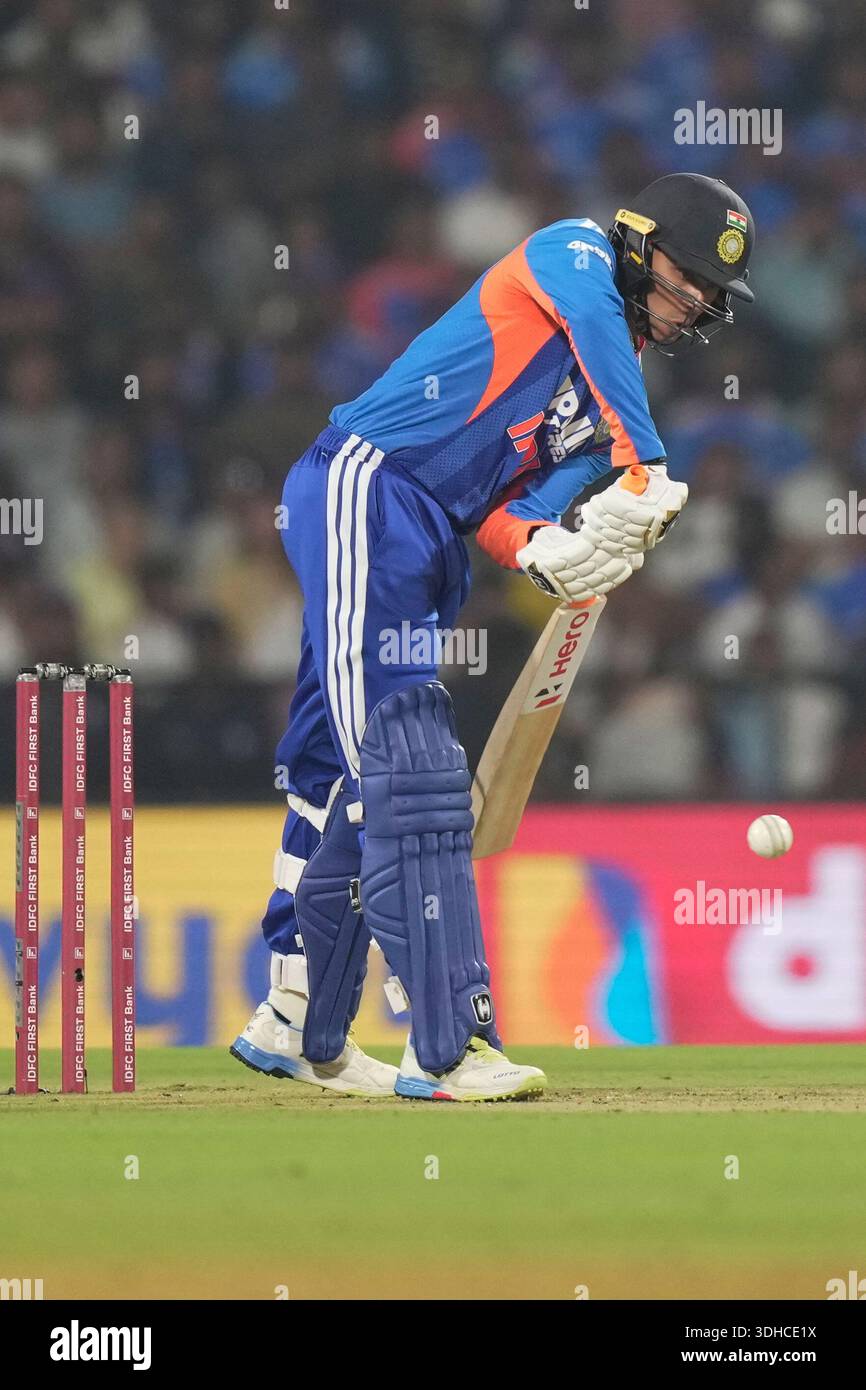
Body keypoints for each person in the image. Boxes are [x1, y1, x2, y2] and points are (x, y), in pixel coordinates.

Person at [230, 172, 755, 1100]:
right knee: (407, 770)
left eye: (712, 297)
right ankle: (448, 1048)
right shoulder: (573, 253)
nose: (695, 305)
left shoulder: (607, 403)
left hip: (433, 541)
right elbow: (596, 325)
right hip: (372, 488)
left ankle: (296, 1013)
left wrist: (551, 551)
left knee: (334, 771)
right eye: (688, 279)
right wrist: (646, 462)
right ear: (639, 244)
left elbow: (509, 517)